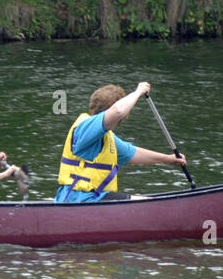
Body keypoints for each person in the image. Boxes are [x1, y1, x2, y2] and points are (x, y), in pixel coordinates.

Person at [55, 82, 188, 202]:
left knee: (146, 200)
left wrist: (169, 159)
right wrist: (138, 92)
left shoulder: (107, 138)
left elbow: (133, 153)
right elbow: (118, 111)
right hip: (78, 199)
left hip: (93, 198)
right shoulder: (86, 127)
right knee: (146, 202)